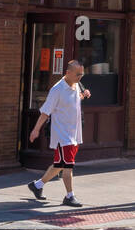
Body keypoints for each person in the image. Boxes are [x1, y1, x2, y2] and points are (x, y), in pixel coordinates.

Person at [27, 60, 90, 207]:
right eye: (78, 74)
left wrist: (83, 95)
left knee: (59, 165)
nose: (80, 77)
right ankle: (69, 196)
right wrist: (36, 130)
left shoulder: (75, 85)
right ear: (68, 73)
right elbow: (45, 112)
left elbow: (71, 102)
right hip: (63, 135)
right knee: (68, 167)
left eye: (82, 74)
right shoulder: (57, 90)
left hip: (74, 134)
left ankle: (37, 186)